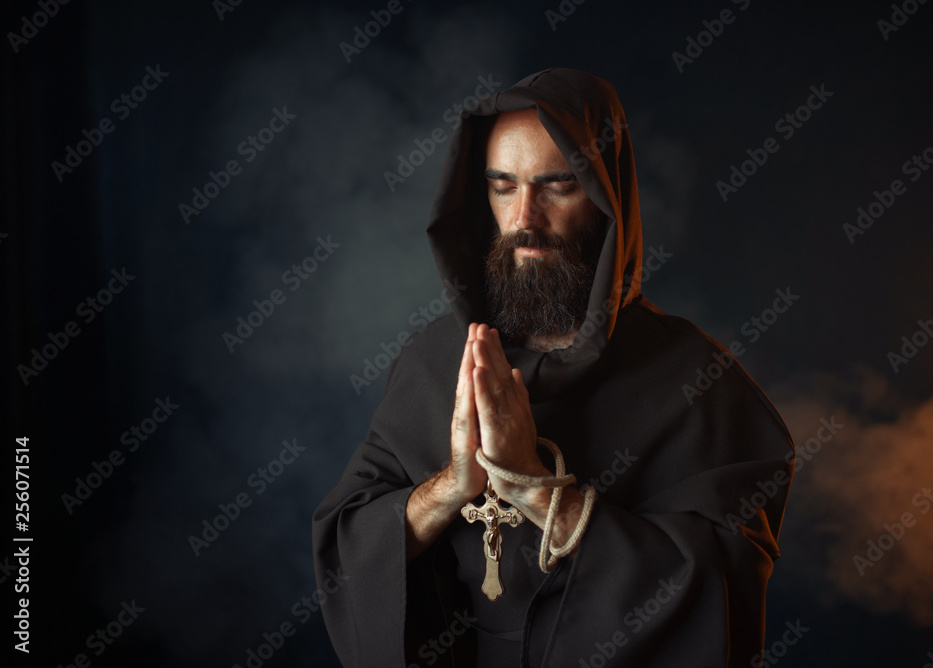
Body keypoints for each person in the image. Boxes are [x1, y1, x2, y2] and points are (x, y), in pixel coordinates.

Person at [313, 67, 794, 667]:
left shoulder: (698, 380)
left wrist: (538, 492)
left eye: (556, 186)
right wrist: (450, 488)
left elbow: (721, 588)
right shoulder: (437, 360)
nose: (524, 219)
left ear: (603, 195)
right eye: (502, 186)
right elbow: (348, 542)